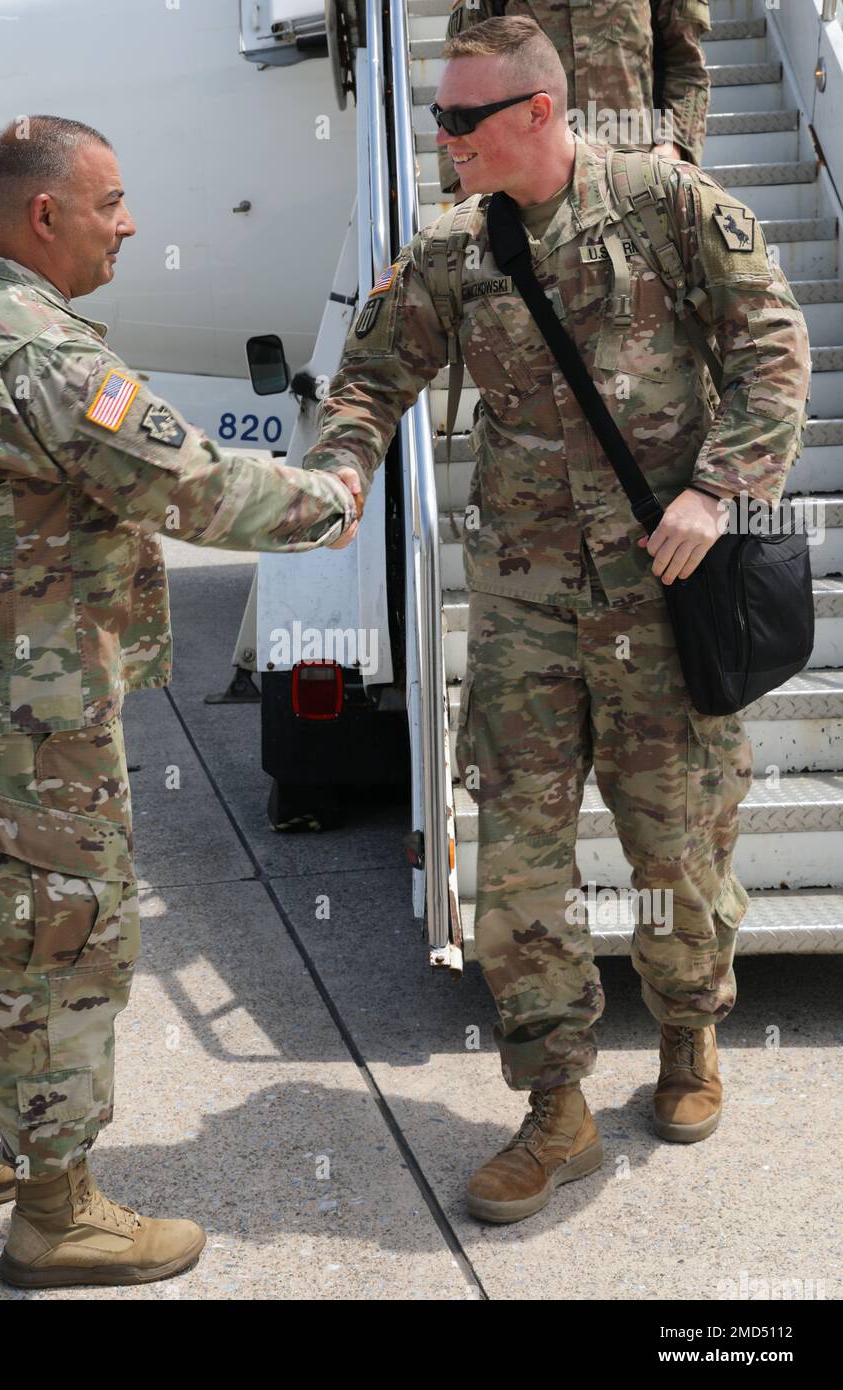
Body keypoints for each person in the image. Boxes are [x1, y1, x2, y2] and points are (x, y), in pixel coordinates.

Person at [303, 17, 810, 1223]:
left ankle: (689, 1034)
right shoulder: (451, 248)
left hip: (662, 589)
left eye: (460, 119)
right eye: (434, 117)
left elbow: (773, 349)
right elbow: (373, 376)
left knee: (676, 839)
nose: (441, 138)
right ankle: (555, 1105)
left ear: (537, 113)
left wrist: (717, 486)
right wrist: (341, 471)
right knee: (519, 858)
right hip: (526, 600)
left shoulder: (667, 205)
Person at [0, 114, 362, 1287]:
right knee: (68, 935)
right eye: (111, 202)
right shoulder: (34, 348)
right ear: (43, 213)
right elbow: (190, 487)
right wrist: (334, 490)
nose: (130, 224)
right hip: (30, 706)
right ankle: (56, 1212)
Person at [438, 0, 712, 198]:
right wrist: (465, 186)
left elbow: (684, 67)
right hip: (529, 186)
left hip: (632, 178)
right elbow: (460, 76)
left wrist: (670, 147)